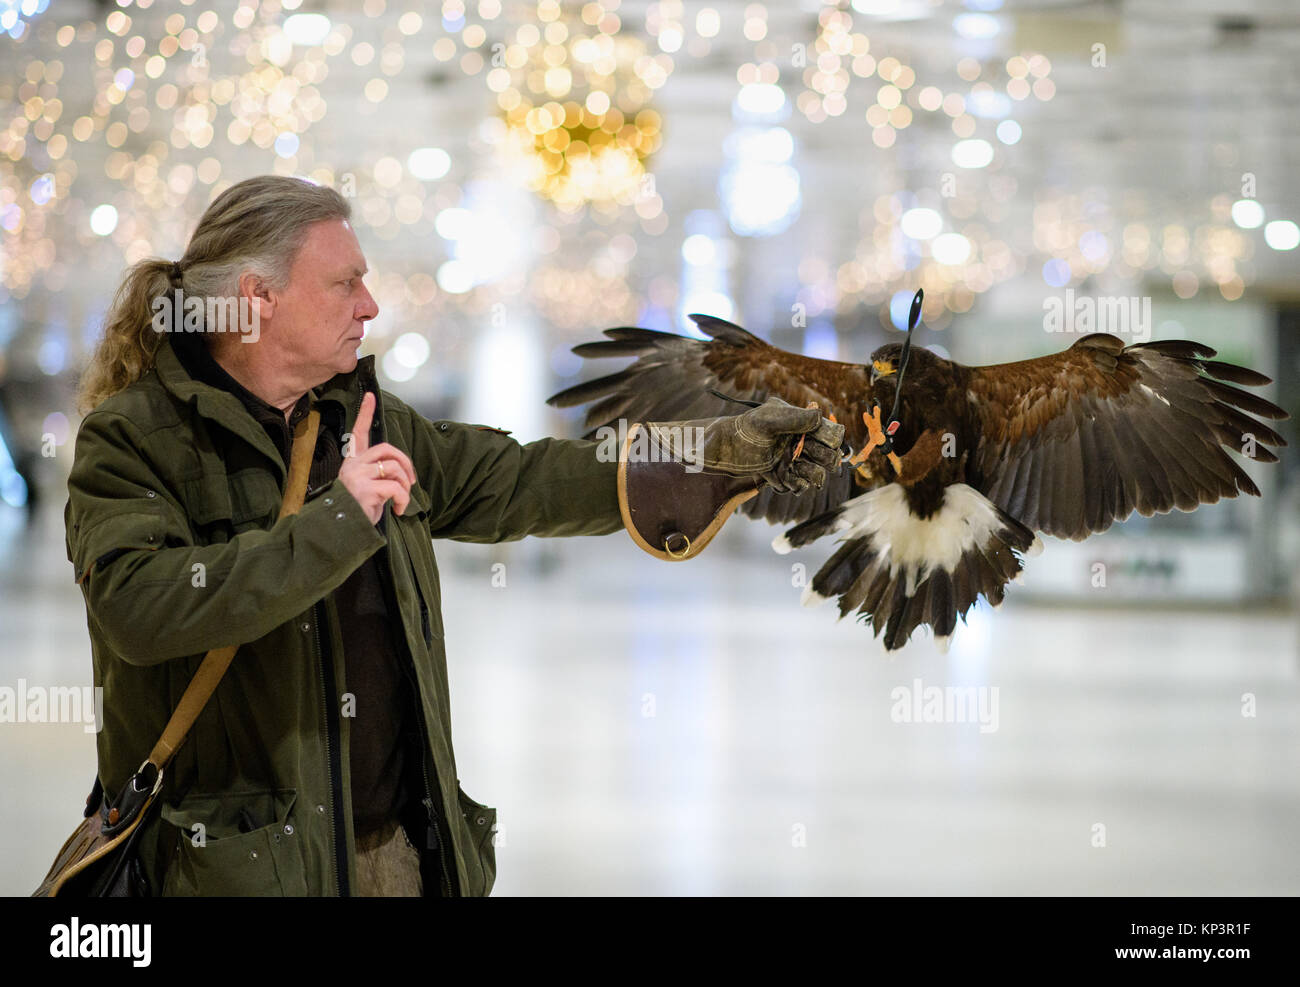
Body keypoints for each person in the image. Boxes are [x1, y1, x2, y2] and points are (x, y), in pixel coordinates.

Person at [64, 174, 844, 896]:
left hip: (393, 859)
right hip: (232, 874)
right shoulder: (134, 439)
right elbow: (140, 608)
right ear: (257, 297)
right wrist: (340, 521)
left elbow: (526, 477)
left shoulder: (361, 418)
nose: (369, 306)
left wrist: (716, 450)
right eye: (345, 282)